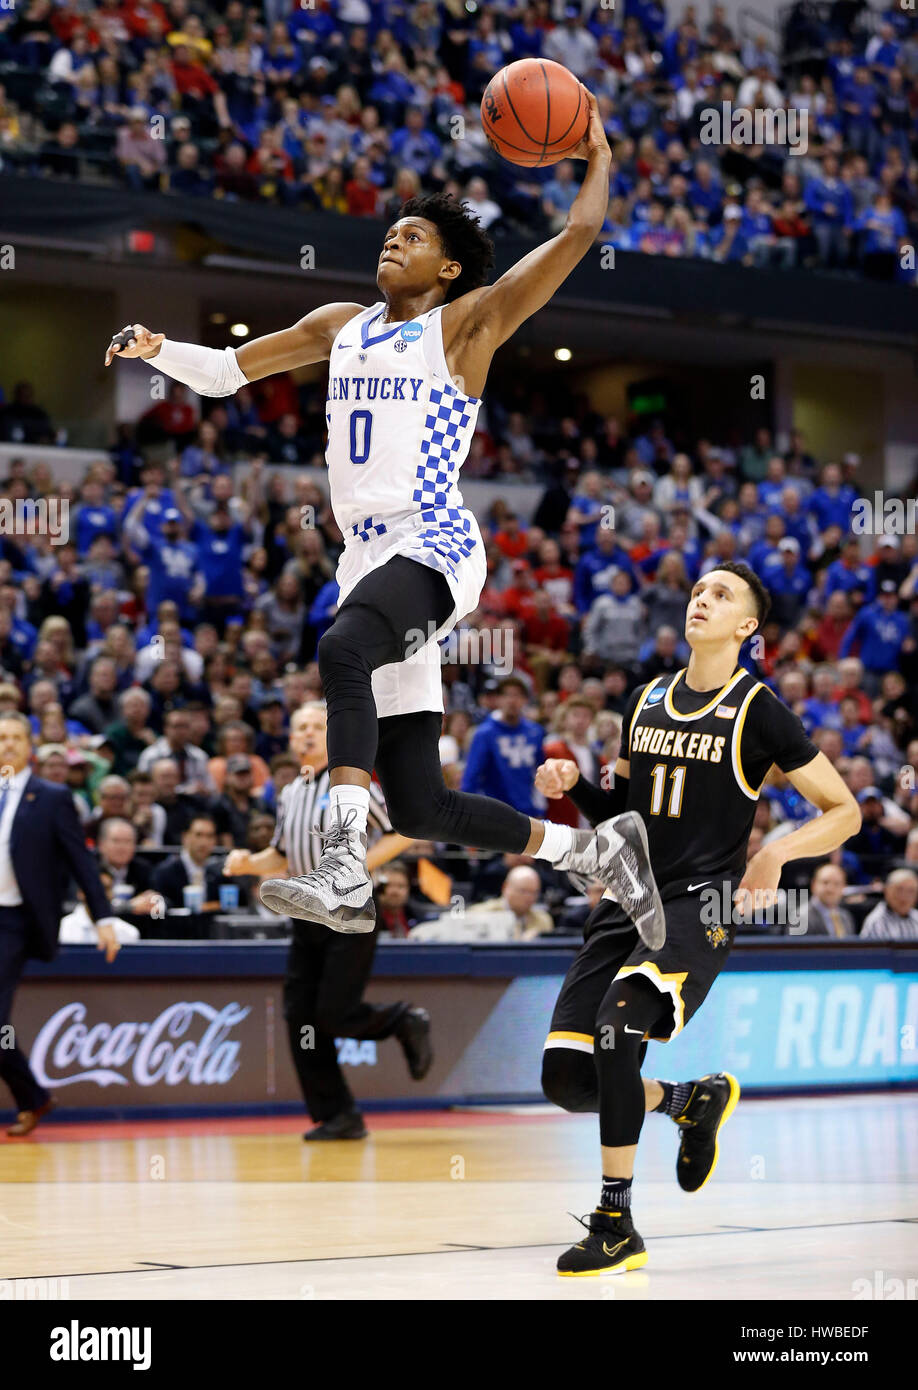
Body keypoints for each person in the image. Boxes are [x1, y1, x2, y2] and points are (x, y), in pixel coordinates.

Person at [105, 87, 663, 948]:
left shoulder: (466, 325)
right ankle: (593, 849)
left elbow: (577, 237)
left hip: (434, 540)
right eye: (390, 231)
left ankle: (338, 867)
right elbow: (223, 373)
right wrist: (156, 350)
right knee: (419, 801)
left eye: (413, 236)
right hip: (367, 558)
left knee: (340, 648)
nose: (391, 240)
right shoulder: (340, 325)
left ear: (447, 269)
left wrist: (599, 160)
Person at [535, 562, 861, 1276]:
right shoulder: (647, 698)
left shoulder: (759, 709)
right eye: (697, 592)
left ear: (748, 628)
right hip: (629, 899)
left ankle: (615, 1223)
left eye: (721, 595)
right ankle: (690, 1099)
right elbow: (623, 821)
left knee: (619, 1027)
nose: (702, 601)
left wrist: (777, 852)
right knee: (566, 1079)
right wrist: (573, 787)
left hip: (699, 906)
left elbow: (846, 811)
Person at [224, 701, 431, 1140]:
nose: (306, 734)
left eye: (317, 726)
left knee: (334, 1012)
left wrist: (359, 864)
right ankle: (339, 1115)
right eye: (299, 727)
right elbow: (280, 854)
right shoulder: (290, 792)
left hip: (348, 909)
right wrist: (247, 864)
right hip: (305, 912)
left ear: (333, 733)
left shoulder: (349, 784)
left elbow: (404, 830)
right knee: (301, 1018)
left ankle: (403, 1020)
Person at [0, 712, 121, 1136]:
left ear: (29, 746)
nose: (8, 745)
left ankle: (33, 1096)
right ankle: (34, 1097)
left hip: (12, 920)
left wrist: (103, 916)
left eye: (16, 738)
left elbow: (80, 861)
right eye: (1, 738)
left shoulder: (50, 797)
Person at [860, 868, 918, 940]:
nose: (905, 896)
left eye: (911, 891)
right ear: (887, 890)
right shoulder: (876, 921)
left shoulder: (916, 917)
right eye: (899, 889)